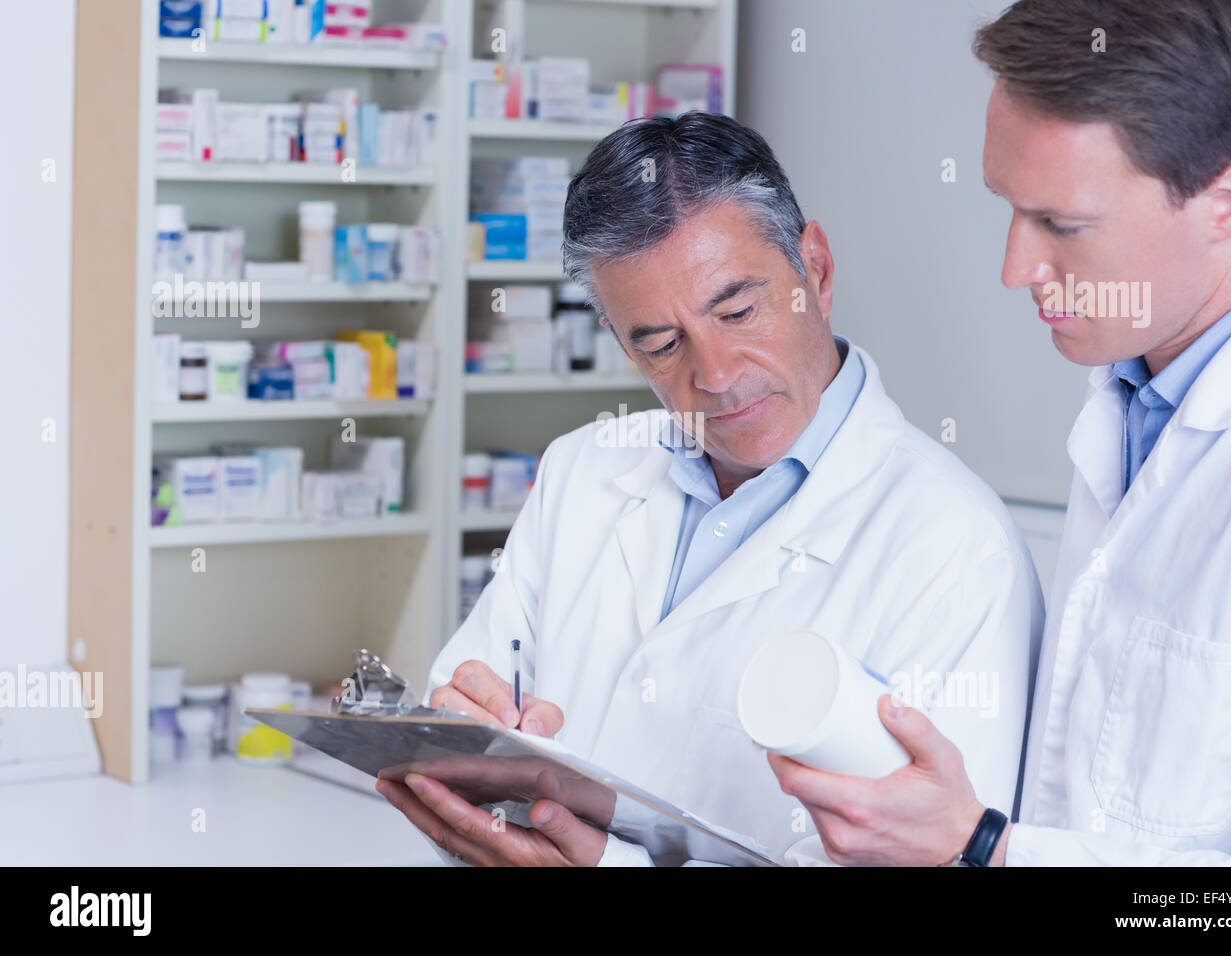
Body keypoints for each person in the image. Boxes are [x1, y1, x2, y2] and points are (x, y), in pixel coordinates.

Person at [377, 111, 1043, 866]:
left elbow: (932, 857)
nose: (716, 375)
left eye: (737, 310)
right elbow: (472, 695)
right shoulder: (581, 471)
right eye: (660, 343)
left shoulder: (956, 548)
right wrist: (461, 728)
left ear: (815, 272)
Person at [770, 0, 1231, 866]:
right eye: (1011, 210)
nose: (1016, 270)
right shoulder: (1133, 392)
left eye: (1062, 225)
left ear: (1229, 200)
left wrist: (985, 850)